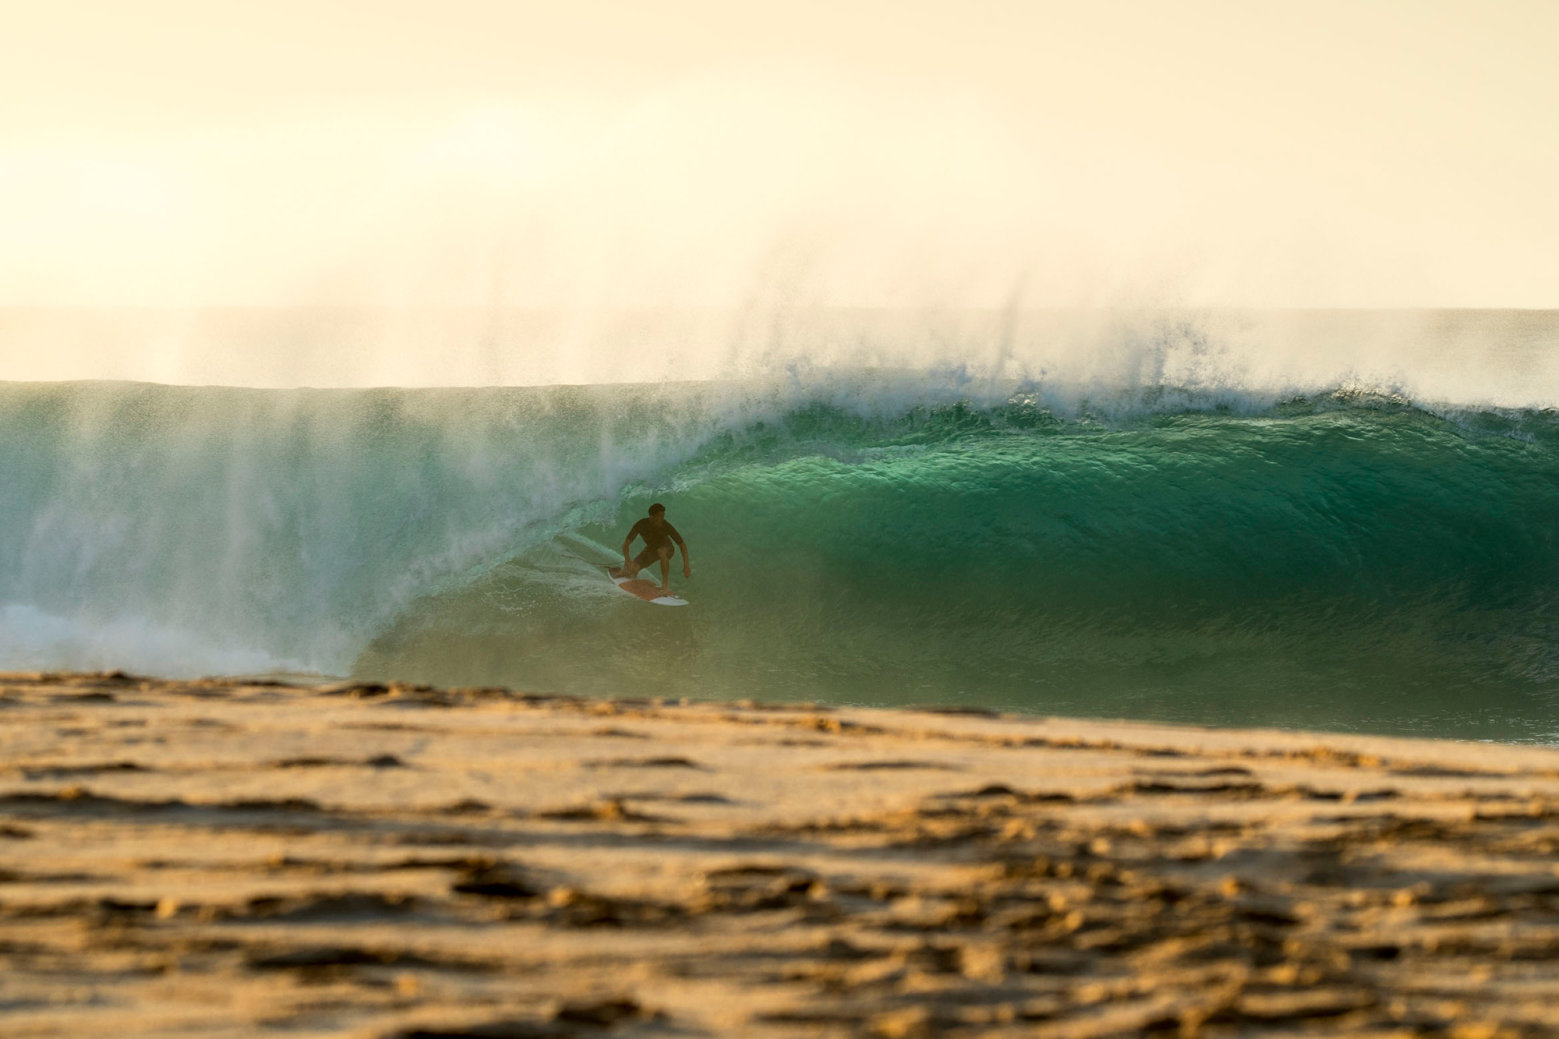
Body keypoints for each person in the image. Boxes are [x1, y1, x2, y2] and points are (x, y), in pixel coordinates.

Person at [618, 503, 691, 594]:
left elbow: (682, 545)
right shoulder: (641, 524)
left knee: (661, 551)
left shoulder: (666, 526)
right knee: (632, 570)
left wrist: (686, 566)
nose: (662, 519)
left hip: (667, 549)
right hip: (651, 550)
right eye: (660, 516)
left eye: (663, 516)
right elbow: (626, 543)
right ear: (652, 516)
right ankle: (628, 570)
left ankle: (664, 586)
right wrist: (627, 560)